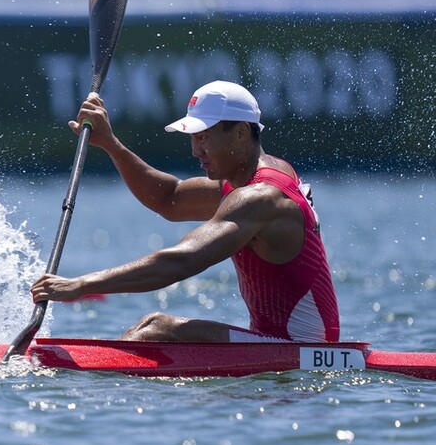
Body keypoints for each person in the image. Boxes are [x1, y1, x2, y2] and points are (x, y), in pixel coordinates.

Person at [28, 80, 339, 343]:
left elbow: (184, 260)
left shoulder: (260, 197)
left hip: (300, 348)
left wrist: (79, 285)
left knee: (157, 329)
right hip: (274, 341)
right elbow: (169, 199)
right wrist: (111, 145)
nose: (195, 151)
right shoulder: (247, 180)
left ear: (242, 133)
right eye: (193, 139)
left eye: (203, 138)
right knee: (153, 326)